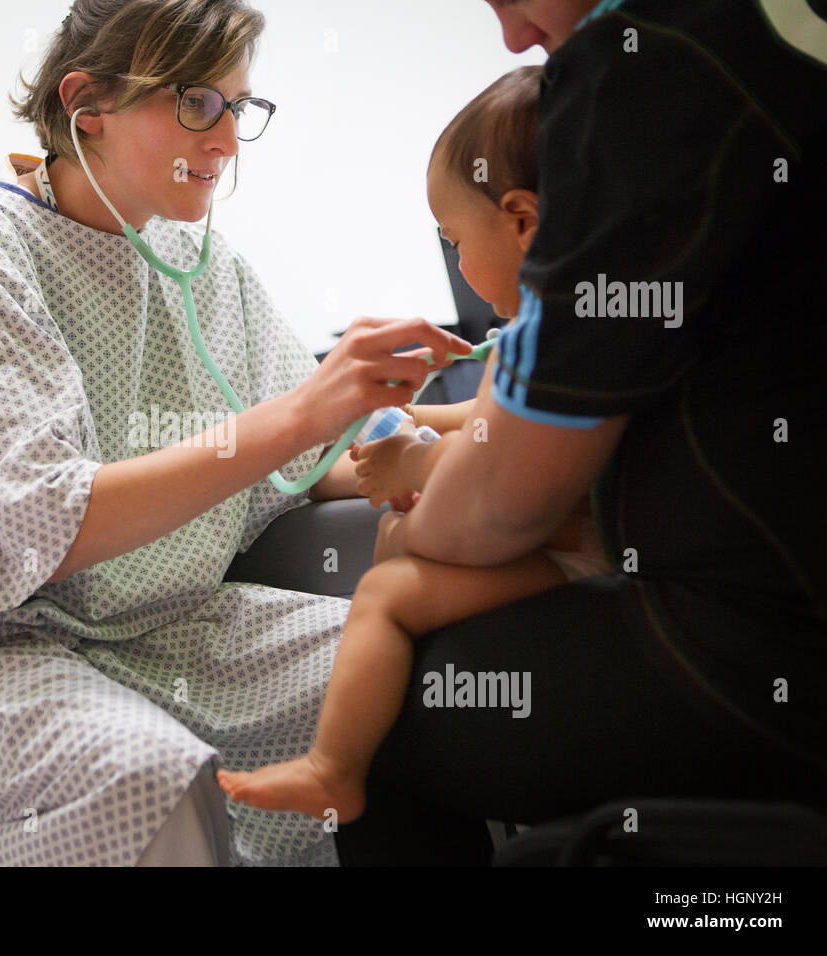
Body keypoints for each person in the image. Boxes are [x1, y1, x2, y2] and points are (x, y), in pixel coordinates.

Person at [0, 0, 468, 867]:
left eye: (238, 108)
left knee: (417, 672)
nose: (223, 139)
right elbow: (52, 523)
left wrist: (476, 440)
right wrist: (306, 410)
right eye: (194, 103)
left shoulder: (203, 267)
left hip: (149, 633)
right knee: (146, 775)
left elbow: (317, 457)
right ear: (87, 105)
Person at [329, 0, 827, 865]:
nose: (513, 34)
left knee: (393, 719)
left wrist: (409, 522)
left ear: (525, 221)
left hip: (763, 639)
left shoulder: (648, 72)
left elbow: (504, 505)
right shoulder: (767, 58)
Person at [217, 65, 616, 824]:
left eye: (456, 238)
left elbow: (509, 457)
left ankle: (336, 768)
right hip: (586, 551)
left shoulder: (549, 338)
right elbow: (486, 419)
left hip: (580, 559)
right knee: (399, 552)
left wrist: (414, 463)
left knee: (386, 594)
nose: (455, 262)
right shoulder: (572, 323)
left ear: (523, 223)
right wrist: (405, 426)